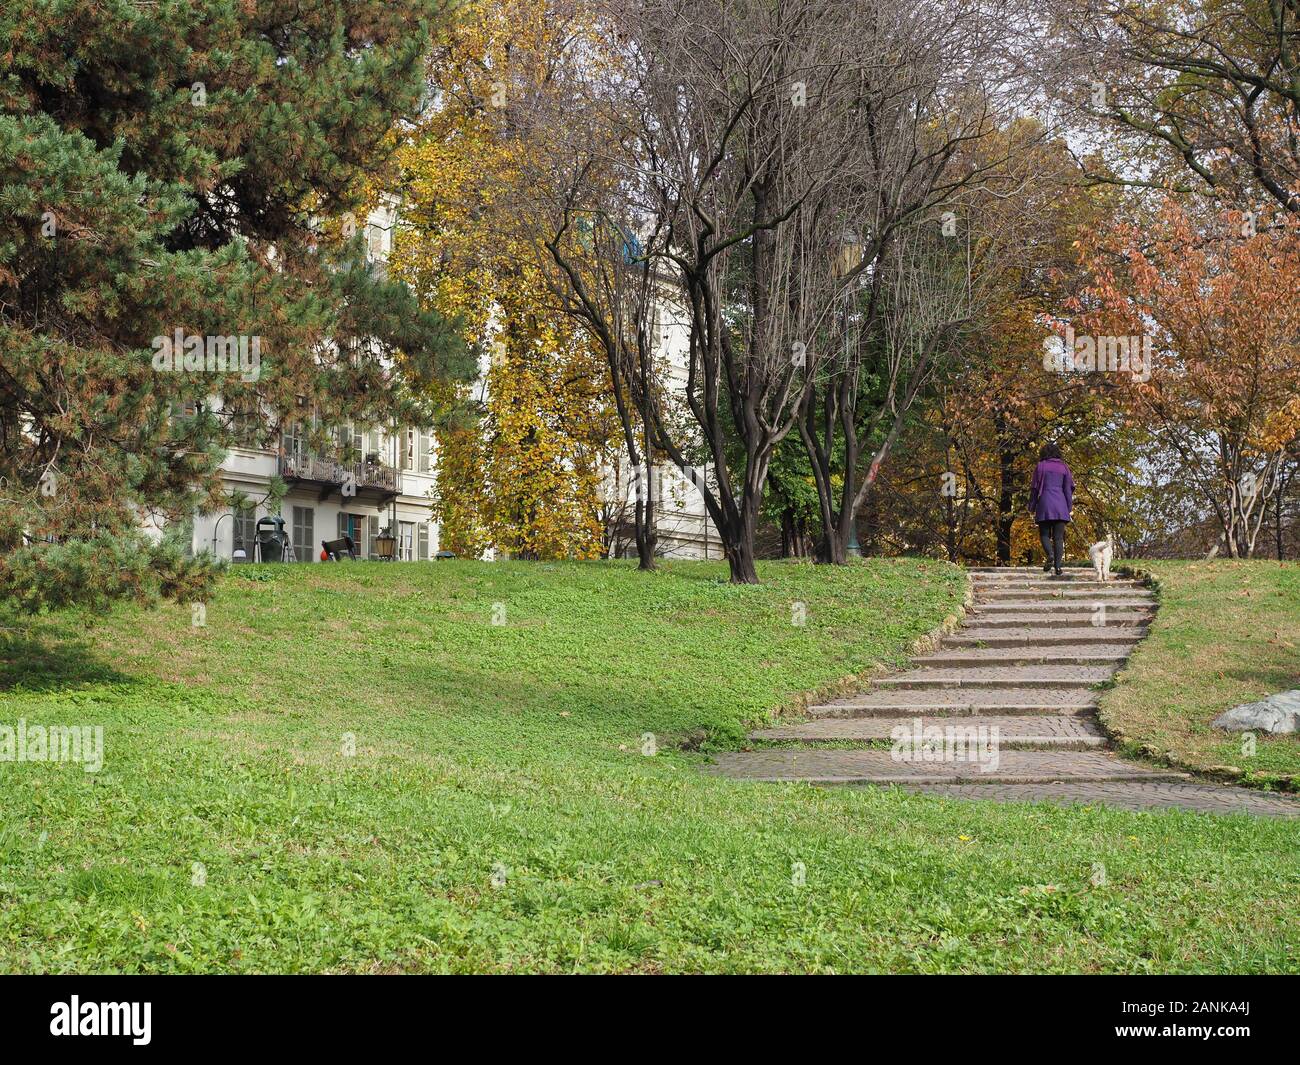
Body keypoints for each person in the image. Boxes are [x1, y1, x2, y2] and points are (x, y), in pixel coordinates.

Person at [1029, 443, 1074, 576]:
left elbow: (1034, 488)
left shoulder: (1040, 466)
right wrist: (1069, 507)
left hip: (1045, 503)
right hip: (1061, 505)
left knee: (1044, 534)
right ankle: (1058, 567)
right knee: (1059, 538)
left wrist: (1031, 506)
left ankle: (1050, 555)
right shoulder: (1064, 467)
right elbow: (1068, 489)